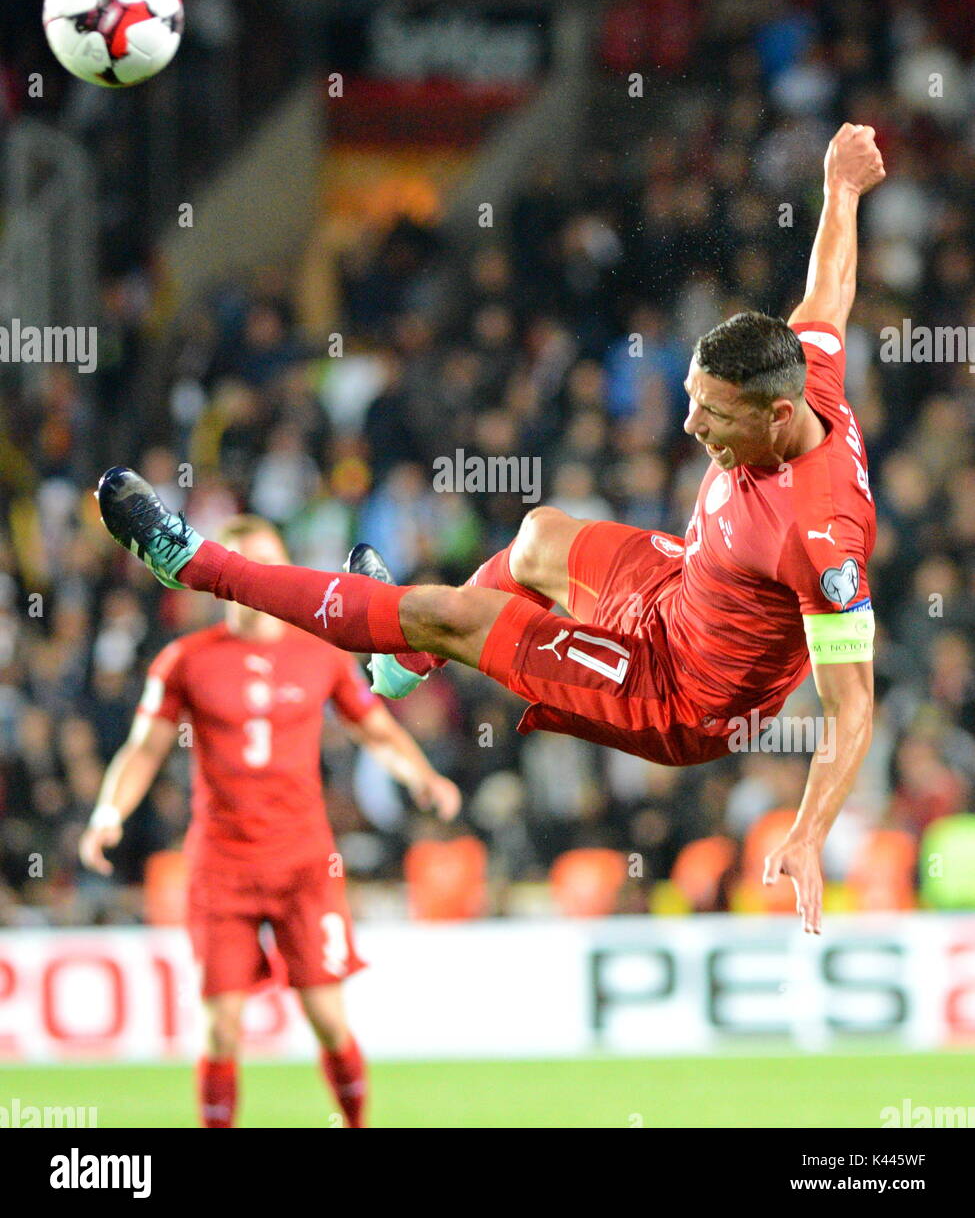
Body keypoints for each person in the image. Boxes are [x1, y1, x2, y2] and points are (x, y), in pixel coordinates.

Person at [96, 123, 885, 938]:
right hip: (681, 589)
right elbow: (828, 287)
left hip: (676, 692)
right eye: (690, 395)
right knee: (538, 535)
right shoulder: (807, 370)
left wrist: (807, 830)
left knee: (456, 614)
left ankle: (192, 561)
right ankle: (399, 668)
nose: (688, 424)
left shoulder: (817, 539)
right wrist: (841, 187)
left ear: (777, 414)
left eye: (712, 413)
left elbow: (851, 705)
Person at [80, 515, 460, 1129]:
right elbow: (144, 747)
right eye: (242, 565)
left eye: (265, 567)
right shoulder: (184, 660)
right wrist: (108, 813)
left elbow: (376, 728)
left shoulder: (320, 654)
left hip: (305, 863)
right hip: (222, 866)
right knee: (221, 1030)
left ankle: (357, 1124)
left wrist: (421, 776)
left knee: (328, 1018)